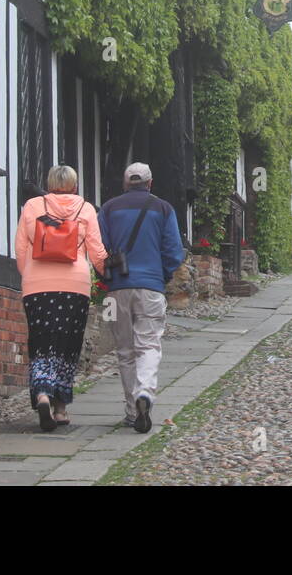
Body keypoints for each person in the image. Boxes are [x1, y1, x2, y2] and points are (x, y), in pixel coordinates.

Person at [13, 165, 108, 432]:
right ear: (75, 186)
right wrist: (111, 276)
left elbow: (21, 248)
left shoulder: (32, 206)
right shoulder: (86, 209)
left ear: (49, 182)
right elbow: (97, 251)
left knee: (42, 340)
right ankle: (60, 407)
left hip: (37, 286)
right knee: (67, 343)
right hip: (74, 285)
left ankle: (42, 392)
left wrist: (29, 275)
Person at [98, 162, 183, 433]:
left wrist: (106, 276)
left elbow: (98, 247)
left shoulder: (110, 208)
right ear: (150, 183)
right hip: (151, 287)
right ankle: (144, 393)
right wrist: (164, 274)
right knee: (148, 345)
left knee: (125, 351)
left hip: (118, 288)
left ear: (125, 184)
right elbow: (173, 250)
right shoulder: (163, 209)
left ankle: (132, 410)